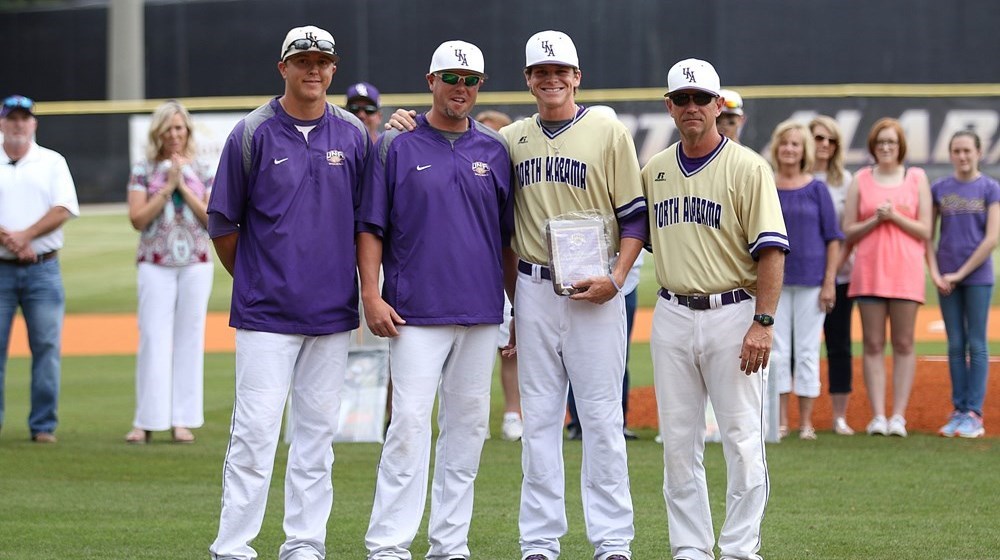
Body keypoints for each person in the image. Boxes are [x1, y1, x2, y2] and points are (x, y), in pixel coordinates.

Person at [386, 31, 644, 560]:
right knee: (540, 418)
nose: (551, 79)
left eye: (560, 70)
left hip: (595, 287)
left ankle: (613, 539)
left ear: (577, 76)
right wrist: (403, 119)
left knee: (599, 415)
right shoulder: (512, 140)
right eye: (540, 71)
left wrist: (617, 278)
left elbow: (634, 216)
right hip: (533, 286)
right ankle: (540, 539)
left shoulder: (607, 128)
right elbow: (453, 142)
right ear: (527, 80)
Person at [206, 26, 370, 560]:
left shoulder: (351, 134)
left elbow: (368, 222)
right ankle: (233, 546)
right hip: (265, 314)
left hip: (330, 312)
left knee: (316, 437)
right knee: (254, 434)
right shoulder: (252, 132)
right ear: (284, 68)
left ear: (333, 68)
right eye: (303, 61)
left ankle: (303, 541)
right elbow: (224, 226)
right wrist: (259, 277)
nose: (313, 70)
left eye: (322, 61)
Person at [359, 40, 513, 560]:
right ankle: (388, 544)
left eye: (470, 80)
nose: (460, 88)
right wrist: (371, 294)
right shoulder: (397, 144)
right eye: (451, 78)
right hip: (414, 311)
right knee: (407, 426)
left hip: (481, 310)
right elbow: (371, 227)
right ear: (431, 80)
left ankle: (450, 543)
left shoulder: (494, 150)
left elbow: (509, 239)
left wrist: (512, 308)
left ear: (480, 86)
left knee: (467, 431)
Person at [641, 59, 787, 560]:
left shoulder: (748, 167)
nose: (691, 107)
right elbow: (645, 241)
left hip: (734, 312)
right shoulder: (654, 170)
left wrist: (762, 323)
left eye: (701, 98)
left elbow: (771, 251)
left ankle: (742, 548)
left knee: (743, 438)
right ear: (669, 106)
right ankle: (690, 547)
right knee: (679, 443)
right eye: (681, 99)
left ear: (718, 104)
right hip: (673, 313)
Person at [124, 100, 214, 445]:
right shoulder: (143, 169)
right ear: (158, 132)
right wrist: (166, 186)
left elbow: (211, 219)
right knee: (152, 337)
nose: (175, 134)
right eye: (169, 128)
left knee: (190, 338)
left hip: (195, 261)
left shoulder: (203, 168)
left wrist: (183, 186)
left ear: (187, 131)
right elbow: (137, 219)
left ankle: (182, 419)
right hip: (155, 261)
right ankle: (146, 419)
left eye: (180, 128)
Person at [844, 118, 931, 438]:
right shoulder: (862, 179)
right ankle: (878, 415)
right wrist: (874, 221)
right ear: (873, 146)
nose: (885, 148)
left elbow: (925, 230)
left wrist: (893, 216)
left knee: (905, 343)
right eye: (880, 142)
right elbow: (848, 230)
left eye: (891, 142)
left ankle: (899, 416)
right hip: (869, 270)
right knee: (873, 343)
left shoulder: (915, 177)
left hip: (905, 270)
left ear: (901, 146)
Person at [0, 94, 80, 444]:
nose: (19, 124)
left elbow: (63, 208)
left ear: (34, 123)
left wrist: (25, 236)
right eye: (12, 118)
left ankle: (43, 425)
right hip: (1, 266)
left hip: (43, 268)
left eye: (24, 118)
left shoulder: (51, 161)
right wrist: (11, 240)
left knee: (46, 346)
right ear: (2, 122)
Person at [769, 120, 842, 440]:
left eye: (795, 144)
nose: (789, 149)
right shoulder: (766, 184)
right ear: (777, 147)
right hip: (776, 282)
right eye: (784, 143)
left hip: (812, 280)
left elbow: (833, 238)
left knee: (809, 350)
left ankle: (807, 422)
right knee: (779, 350)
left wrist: (829, 282)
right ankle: (782, 419)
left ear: (804, 150)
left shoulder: (817, 188)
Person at [927, 130, 999, 439]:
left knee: (977, 343)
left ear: (978, 152)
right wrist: (934, 272)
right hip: (946, 279)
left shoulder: (990, 188)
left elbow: (992, 238)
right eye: (957, 150)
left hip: (977, 277)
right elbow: (927, 237)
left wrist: (960, 272)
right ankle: (958, 410)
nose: (962, 156)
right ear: (951, 153)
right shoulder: (940, 188)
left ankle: (974, 413)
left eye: (968, 150)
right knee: (955, 344)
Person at [474, 108, 524, 442]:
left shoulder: (508, 172)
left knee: (509, 347)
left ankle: (512, 413)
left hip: (502, 266)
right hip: (469, 271)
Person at [809, 115, 856, 435]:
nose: (824, 145)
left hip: (840, 275)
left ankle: (839, 415)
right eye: (818, 138)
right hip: (801, 277)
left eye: (830, 140)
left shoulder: (844, 181)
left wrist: (834, 270)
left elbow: (847, 232)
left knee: (838, 344)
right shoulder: (792, 175)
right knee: (799, 347)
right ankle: (795, 417)